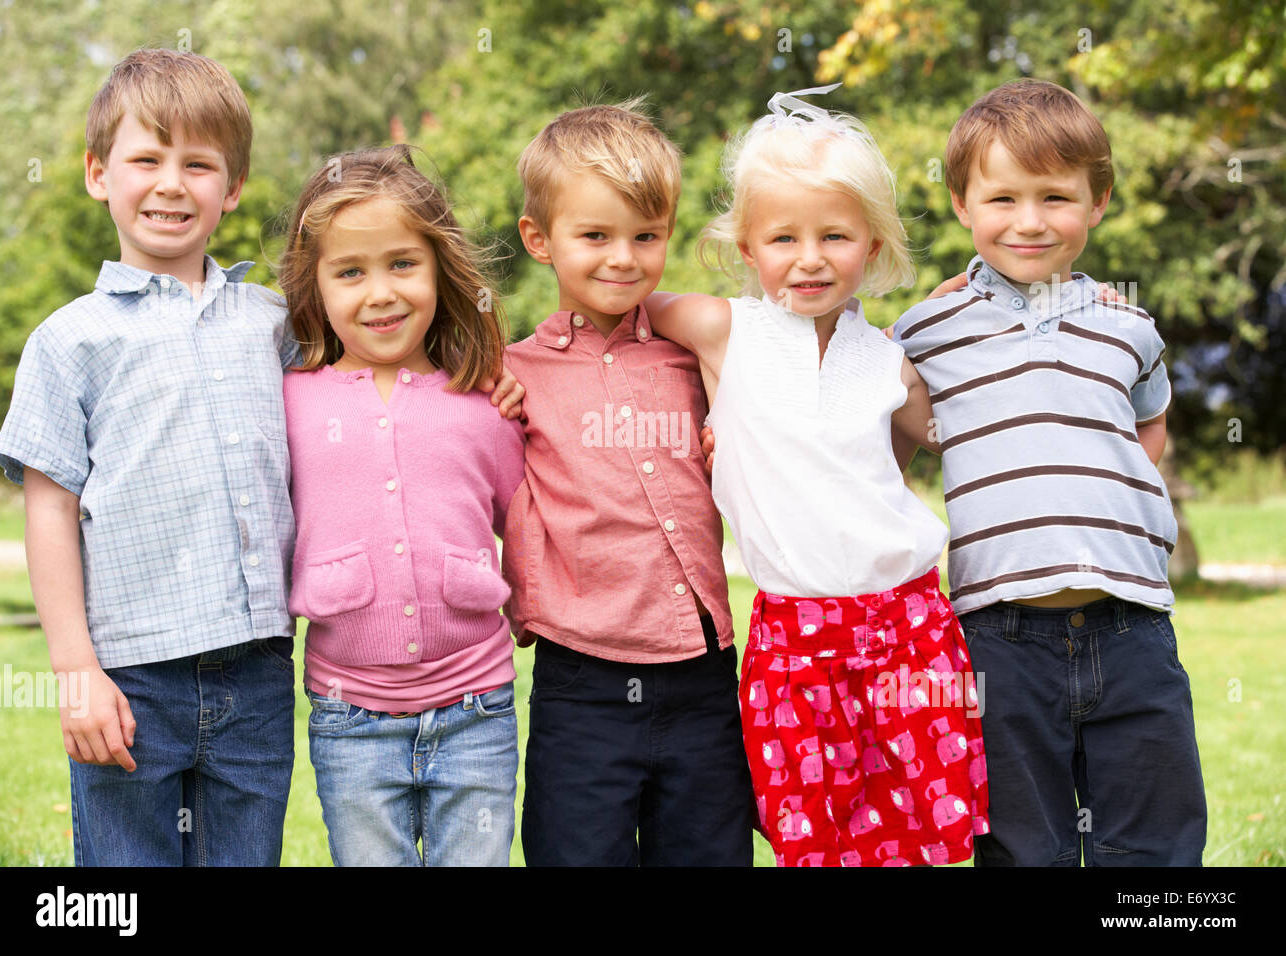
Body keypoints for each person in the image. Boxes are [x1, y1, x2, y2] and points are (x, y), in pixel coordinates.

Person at [646, 86, 989, 867]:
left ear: (870, 247)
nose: (809, 258)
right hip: (793, 639)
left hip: (911, 628)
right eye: (782, 238)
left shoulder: (893, 363)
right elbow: (612, 297)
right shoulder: (720, 329)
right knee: (812, 838)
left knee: (921, 837)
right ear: (746, 250)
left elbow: (893, 465)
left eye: (835, 235)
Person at [0, 49, 298, 866]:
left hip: (259, 672)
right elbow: (50, 510)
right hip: (128, 677)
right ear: (98, 174)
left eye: (198, 164)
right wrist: (75, 671)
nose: (171, 183)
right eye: (146, 159)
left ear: (231, 190)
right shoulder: (68, 341)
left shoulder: (275, 325)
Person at [891, 79, 1205, 866]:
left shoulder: (1128, 326)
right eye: (1002, 198)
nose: (1029, 222)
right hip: (999, 635)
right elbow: (890, 439)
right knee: (1023, 848)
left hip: (1133, 623)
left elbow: (1149, 420)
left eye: (1057, 197)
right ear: (962, 204)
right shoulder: (925, 330)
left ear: (1097, 203)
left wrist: (1108, 493)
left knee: (1156, 847)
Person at [502, 102, 755, 866]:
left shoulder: (698, 357)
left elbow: (814, 328)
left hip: (702, 671)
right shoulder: (513, 377)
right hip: (583, 680)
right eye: (595, 236)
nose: (623, 257)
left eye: (646, 237)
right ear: (538, 239)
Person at [280, 146, 525, 866]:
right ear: (316, 285)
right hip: (348, 715)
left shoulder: (486, 401)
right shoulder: (288, 402)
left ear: (438, 269)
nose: (380, 293)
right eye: (350, 272)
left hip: (478, 709)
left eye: (401, 264)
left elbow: (532, 526)